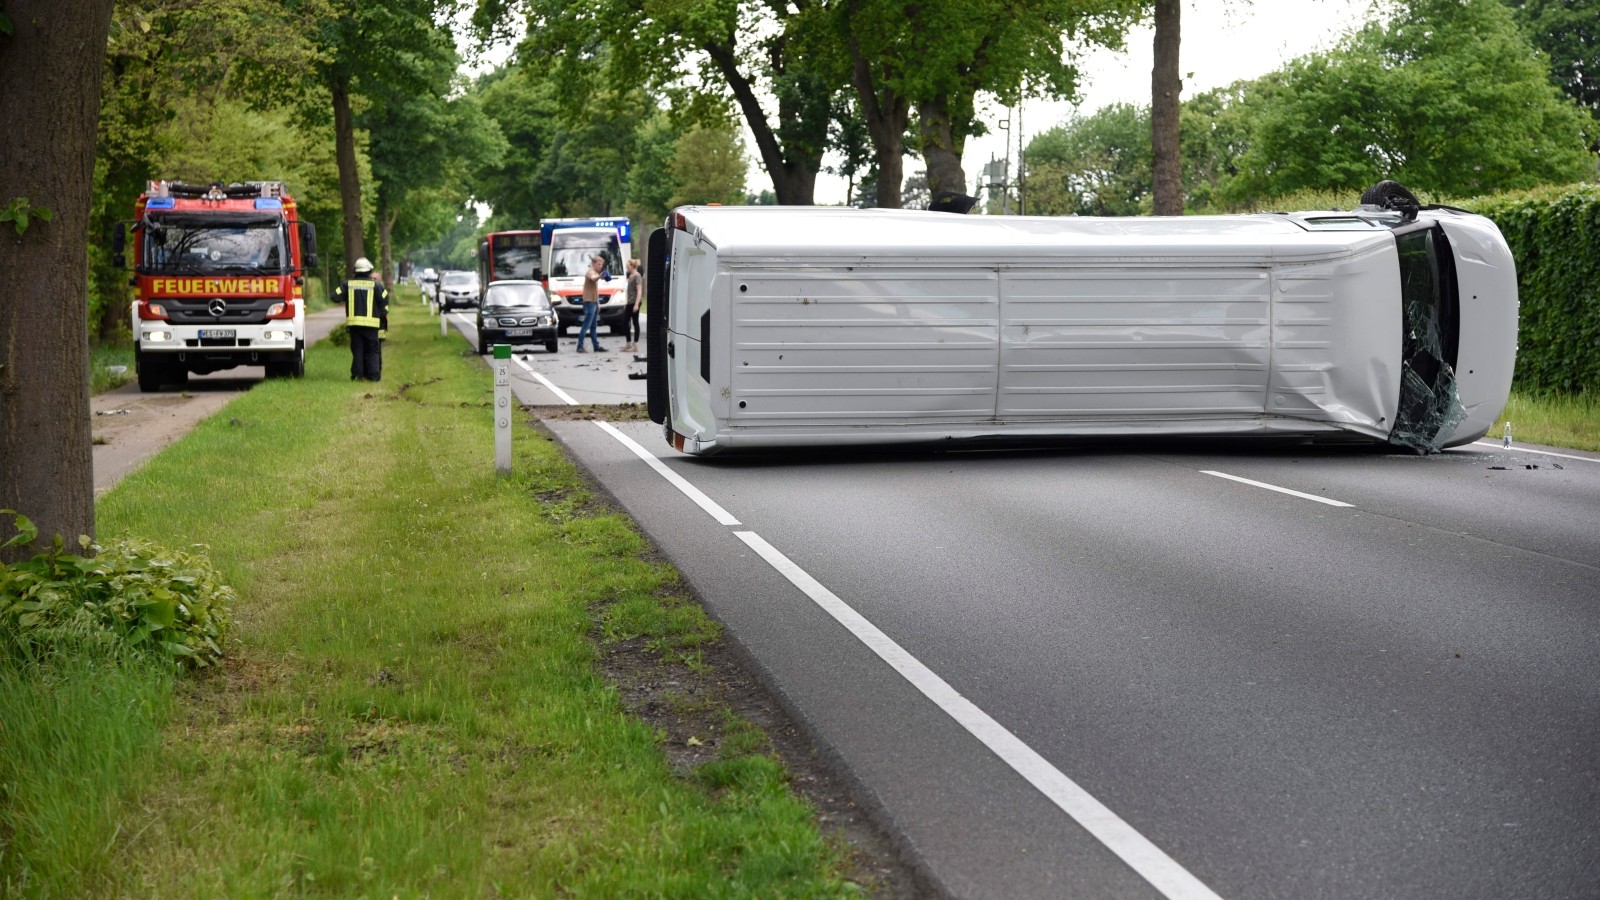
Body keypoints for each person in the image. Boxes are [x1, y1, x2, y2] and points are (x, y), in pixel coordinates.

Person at [335, 257, 389, 381]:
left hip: (354, 325)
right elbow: (385, 297)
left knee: (357, 351)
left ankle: (357, 376)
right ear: (369, 270)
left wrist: (342, 290)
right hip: (372, 325)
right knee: (372, 351)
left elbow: (335, 296)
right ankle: (374, 377)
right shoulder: (376, 285)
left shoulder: (347, 284)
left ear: (355, 270)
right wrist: (380, 312)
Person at [576, 254, 608, 353]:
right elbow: (594, 278)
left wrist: (598, 303)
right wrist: (600, 276)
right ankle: (579, 346)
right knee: (586, 325)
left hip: (593, 302)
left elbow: (595, 290)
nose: (600, 266)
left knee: (593, 326)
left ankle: (596, 346)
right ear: (594, 264)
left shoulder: (595, 272)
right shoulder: (590, 272)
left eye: (601, 265)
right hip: (589, 302)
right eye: (599, 264)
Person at [623, 258, 642, 353]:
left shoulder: (637, 275)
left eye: (628, 265)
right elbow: (628, 291)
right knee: (625, 322)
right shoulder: (630, 275)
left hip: (634, 302)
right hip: (629, 302)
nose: (627, 266)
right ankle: (628, 343)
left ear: (632, 265)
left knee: (635, 322)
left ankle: (635, 344)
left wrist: (637, 304)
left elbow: (639, 290)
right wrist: (626, 303)